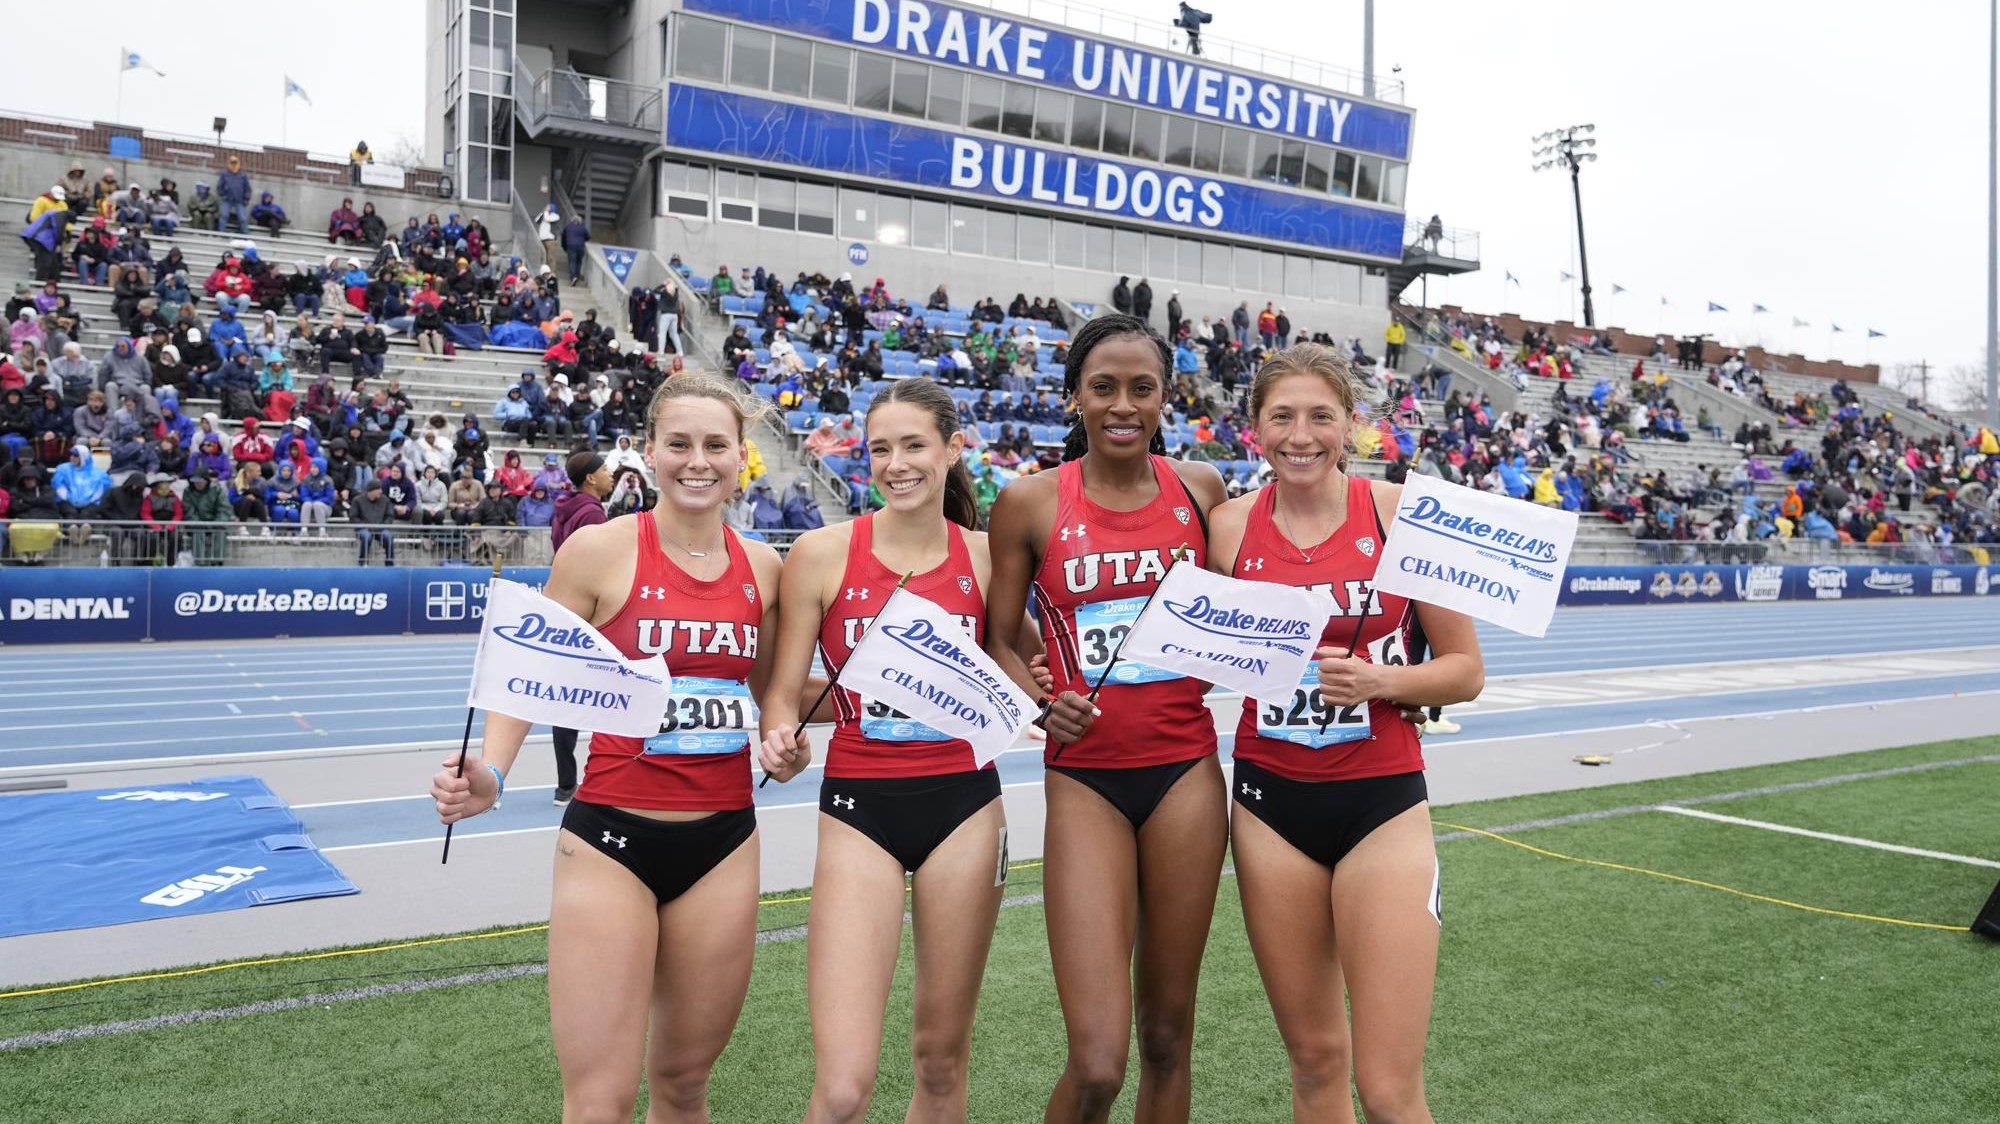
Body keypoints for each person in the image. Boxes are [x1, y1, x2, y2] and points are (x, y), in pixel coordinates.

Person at [431, 373, 787, 1123]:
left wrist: (792, 737)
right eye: (679, 444)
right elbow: (531, 671)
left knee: (685, 1085)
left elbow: (772, 693)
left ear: (741, 455)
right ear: (648, 452)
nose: (698, 461)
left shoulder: (764, 568)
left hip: (726, 842)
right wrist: (492, 771)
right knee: (600, 1100)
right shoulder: (597, 551)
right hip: (611, 841)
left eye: (715, 445)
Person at [1204, 344, 1483, 1124]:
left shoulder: (1401, 514)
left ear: (1351, 424)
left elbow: (1464, 670)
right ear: (1255, 427)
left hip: (1381, 805)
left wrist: (1382, 682)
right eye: (1282, 417)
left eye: (1320, 417)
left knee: (1389, 1091)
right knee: (1316, 1064)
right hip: (1269, 807)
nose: (1301, 435)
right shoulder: (1226, 528)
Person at [982, 313, 1227, 1123]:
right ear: (1074, 397)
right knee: (1096, 1065)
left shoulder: (1202, 490)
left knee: (1167, 1036)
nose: (1123, 404)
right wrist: (1040, 700)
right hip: (1086, 781)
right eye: (1104, 387)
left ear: (1165, 399)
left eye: (1142, 388)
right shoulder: (1029, 501)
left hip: (1186, 775)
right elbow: (998, 637)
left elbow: (1248, 616)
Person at [758, 377, 1008, 1123]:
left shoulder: (988, 558)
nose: (896, 464)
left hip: (966, 807)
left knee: (940, 1064)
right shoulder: (821, 553)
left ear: (952, 449)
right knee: (841, 1090)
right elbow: (783, 693)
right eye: (880, 450)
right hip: (858, 807)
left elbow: (1024, 672)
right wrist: (780, 737)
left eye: (913, 446)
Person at [216, 155, 252, 235]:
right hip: (227, 199)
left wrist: (246, 198)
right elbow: (219, 186)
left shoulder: (243, 175)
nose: (233, 164)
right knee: (224, 216)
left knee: (242, 218)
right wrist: (222, 194)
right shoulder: (225, 174)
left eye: (235, 163)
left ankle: (246, 234)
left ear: (238, 163)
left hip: (239, 200)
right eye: (232, 163)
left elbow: (247, 188)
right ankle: (220, 232)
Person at [561, 215, 590, 284]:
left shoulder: (568, 227)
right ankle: (577, 275)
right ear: (580, 221)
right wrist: (582, 240)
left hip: (571, 246)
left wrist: (564, 247)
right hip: (580, 246)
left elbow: (563, 238)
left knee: (572, 261)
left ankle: (573, 277)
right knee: (579, 261)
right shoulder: (583, 227)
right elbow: (588, 237)